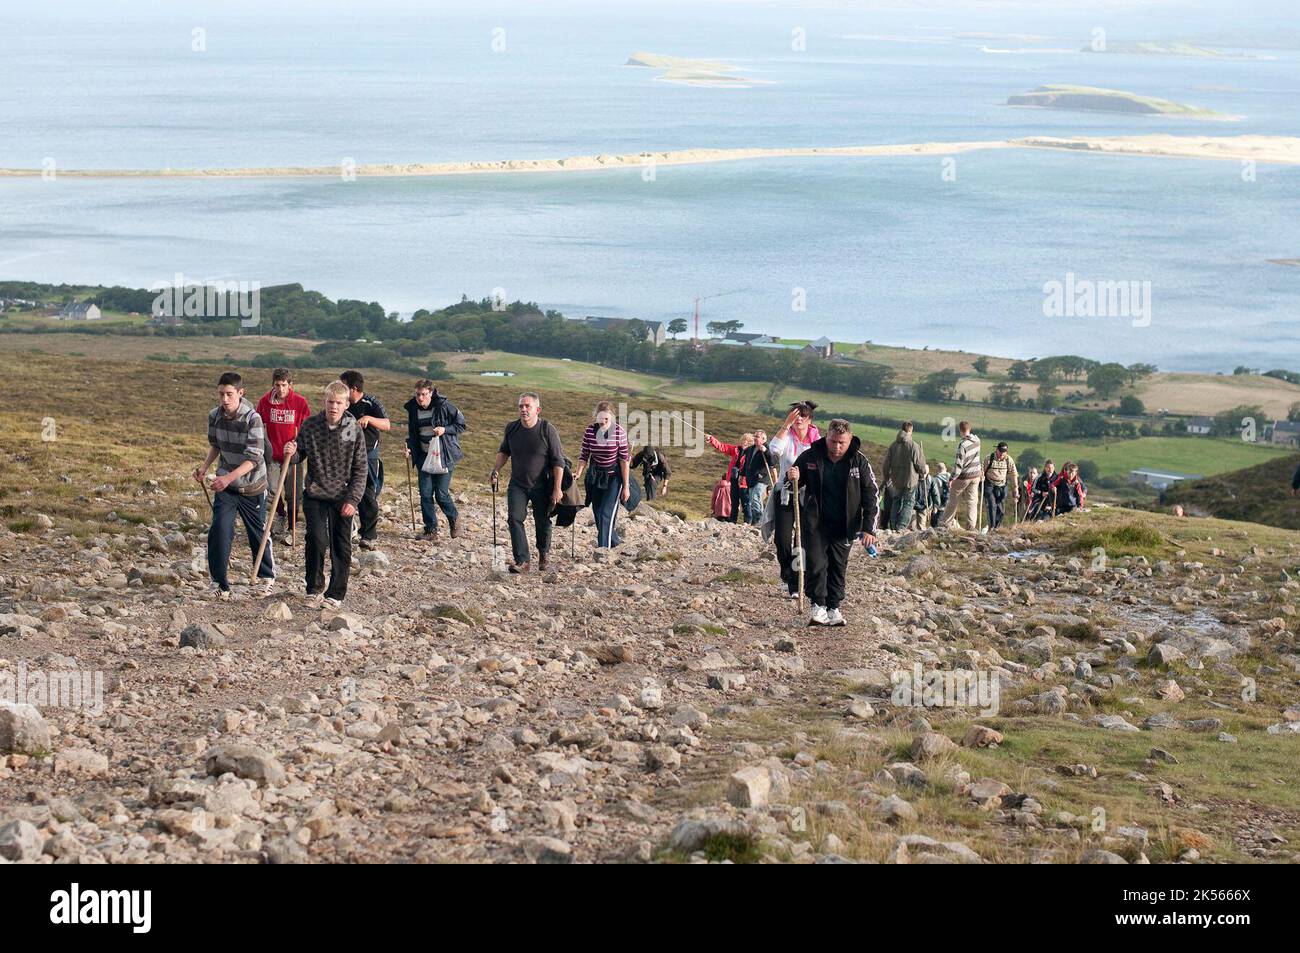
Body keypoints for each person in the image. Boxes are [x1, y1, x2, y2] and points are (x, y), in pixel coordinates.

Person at [786, 419, 879, 626]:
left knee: (838, 566)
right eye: (833, 441)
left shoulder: (859, 461)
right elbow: (791, 482)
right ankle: (818, 606)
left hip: (845, 525)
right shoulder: (811, 456)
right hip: (815, 522)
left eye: (842, 443)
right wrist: (792, 475)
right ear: (826, 437)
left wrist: (869, 528)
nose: (837, 447)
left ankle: (834, 608)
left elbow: (871, 494)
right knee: (817, 564)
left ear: (849, 440)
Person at [282, 380, 368, 604]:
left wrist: (353, 499)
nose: (334, 406)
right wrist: (292, 452)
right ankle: (313, 587)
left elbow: (361, 468)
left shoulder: (352, 428)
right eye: (331, 402)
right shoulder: (310, 425)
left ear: (346, 404)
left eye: (339, 403)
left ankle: (336, 594)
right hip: (315, 493)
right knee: (316, 540)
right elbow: (300, 454)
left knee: (341, 545)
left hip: (343, 495)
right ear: (324, 401)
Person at [193, 372, 273, 597]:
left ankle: (266, 576)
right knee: (219, 528)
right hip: (226, 484)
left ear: (240, 393)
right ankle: (219, 583)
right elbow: (216, 445)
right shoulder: (214, 416)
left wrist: (228, 478)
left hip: (252, 485)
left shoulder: (253, 419)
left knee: (257, 532)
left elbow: (255, 458)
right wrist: (204, 468)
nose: (225, 399)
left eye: (229, 394)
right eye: (221, 394)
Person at [491, 392, 565, 573]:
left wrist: (557, 489)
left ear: (537, 409)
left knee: (542, 520)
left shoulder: (547, 429)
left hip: (542, 484)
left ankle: (544, 554)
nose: (523, 410)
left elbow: (558, 462)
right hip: (518, 483)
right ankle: (523, 561)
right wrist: (496, 470)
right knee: (514, 518)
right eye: (521, 406)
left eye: (527, 406)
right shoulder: (512, 428)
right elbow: (504, 451)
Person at [766, 401, 821, 597]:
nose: (799, 419)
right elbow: (773, 450)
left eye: (803, 416)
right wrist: (785, 425)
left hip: (808, 495)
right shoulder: (787, 436)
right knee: (781, 539)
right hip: (785, 494)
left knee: (801, 539)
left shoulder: (817, 442)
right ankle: (787, 572)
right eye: (795, 415)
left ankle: (796, 583)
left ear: (810, 419)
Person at [402, 379, 466, 539]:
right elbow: (413, 432)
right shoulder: (413, 409)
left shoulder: (444, 406)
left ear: (431, 393)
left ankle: (454, 518)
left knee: (441, 494)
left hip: (444, 455)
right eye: (417, 394)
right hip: (424, 455)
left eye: (423, 394)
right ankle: (431, 530)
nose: (420, 398)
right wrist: (409, 447)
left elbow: (461, 425)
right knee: (425, 494)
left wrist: (445, 429)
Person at [254, 368, 310, 545]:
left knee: (293, 492)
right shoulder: (265, 401)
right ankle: (279, 516)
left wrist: (297, 446)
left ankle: (292, 528)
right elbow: (257, 424)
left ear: (290, 385)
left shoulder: (300, 403)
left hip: (293, 456)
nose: (280, 389)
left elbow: (306, 429)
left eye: (284, 385)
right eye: (277, 385)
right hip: (272, 455)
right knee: (272, 489)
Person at [340, 370, 390, 550]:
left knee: (368, 495)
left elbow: (387, 424)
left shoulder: (371, 403)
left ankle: (368, 535)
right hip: (346, 454)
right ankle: (347, 529)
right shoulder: (343, 404)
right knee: (344, 492)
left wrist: (369, 418)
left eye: (344, 385)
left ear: (354, 388)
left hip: (368, 455)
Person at [574, 401, 632, 549]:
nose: (603, 421)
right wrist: (578, 473)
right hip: (596, 476)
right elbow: (584, 454)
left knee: (606, 513)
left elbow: (624, 460)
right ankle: (614, 541)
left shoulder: (619, 432)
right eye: (600, 418)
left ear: (611, 418)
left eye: (606, 418)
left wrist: (626, 486)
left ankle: (603, 550)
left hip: (614, 478)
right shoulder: (590, 431)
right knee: (598, 513)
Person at [882, 421, 927, 531]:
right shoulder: (913, 446)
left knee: (896, 501)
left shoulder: (893, 445)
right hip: (910, 480)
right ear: (910, 430)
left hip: (896, 479)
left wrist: (887, 477)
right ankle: (901, 527)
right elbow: (920, 465)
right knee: (908, 503)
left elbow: (885, 464)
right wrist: (923, 472)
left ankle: (893, 525)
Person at [938, 421, 981, 531]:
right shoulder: (977, 440)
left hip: (964, 477)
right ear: (969, 429)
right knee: (972, 501)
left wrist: (951, 478)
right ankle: (971, 526)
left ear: (960, 430)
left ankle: (944, 523)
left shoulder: (962, 445)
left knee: (953, 500)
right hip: (976, 475)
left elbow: (958, 466)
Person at [706, 431, 754, 523]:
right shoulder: (735, 449)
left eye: (748, 441)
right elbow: (722, 447)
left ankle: (747, 522)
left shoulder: (752, 453)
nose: (745, 442)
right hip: (733, 479)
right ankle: (733, 521)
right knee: (734, 501)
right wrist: (711, 439)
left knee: (746, 502)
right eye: (744, 440)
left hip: (744, 481)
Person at [982, 441, 1020, 530]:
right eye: (1000, 451)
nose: (1002, 454)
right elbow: (982, 471)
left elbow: (1014, 474)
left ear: (1006, 452)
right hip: (989, 484)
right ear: (996, 450)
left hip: (1002, 485)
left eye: (1004, 452)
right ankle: (991, 526)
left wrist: (1015, 488)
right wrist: (981, 476)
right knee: (992, 505)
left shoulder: (1008, 460)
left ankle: (997, 527)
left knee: (1001, 508)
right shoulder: (989, 458)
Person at [742, 429, 775, 525]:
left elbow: (772, 462)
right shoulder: (751, 449)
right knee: (752, 500)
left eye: (757, 436)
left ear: (764, 439)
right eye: (754, 436)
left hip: (762, 478)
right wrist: (742, 474)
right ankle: (755, 520)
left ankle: (760, 519)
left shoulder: (768, 448)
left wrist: (765, 451)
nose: (754, 438)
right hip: (751, 478)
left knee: (756, 497)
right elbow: (747, 464)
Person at [912, 464, 941, 530]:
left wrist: (936, 506)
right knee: (911, 526)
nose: (924, 475)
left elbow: (935, 493)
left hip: (924, 506)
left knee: (921, 527)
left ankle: (920, 539)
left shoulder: (931, 480)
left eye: (925, 473)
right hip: (912, 505)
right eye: (922, 473)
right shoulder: (914, 478)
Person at [931, 462, 950, 528]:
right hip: (949, 503)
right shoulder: (950, 477)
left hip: (939, 504)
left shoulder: (936, 479)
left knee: (935, 523)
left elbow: (935, 493)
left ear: (937, 469)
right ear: (946, 468)